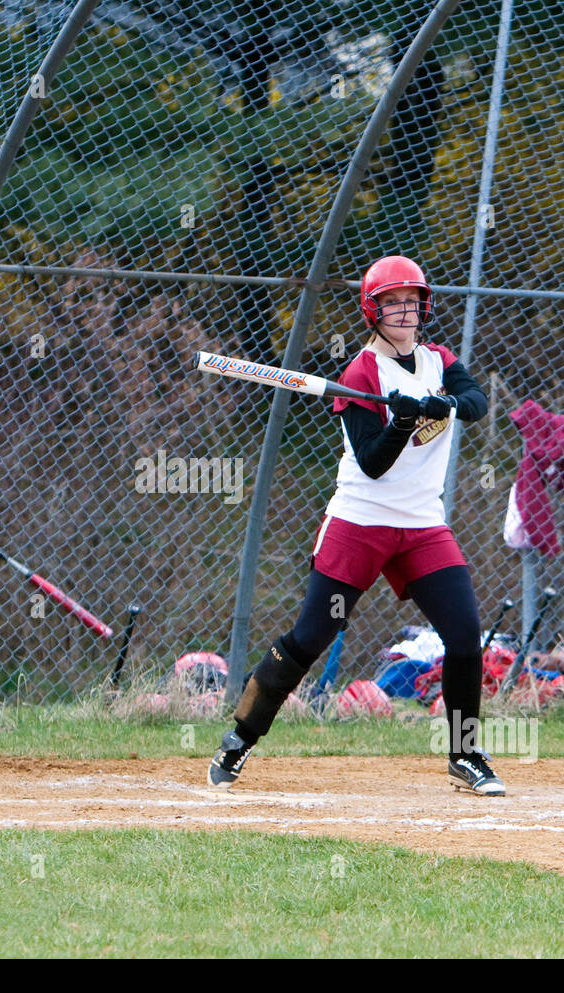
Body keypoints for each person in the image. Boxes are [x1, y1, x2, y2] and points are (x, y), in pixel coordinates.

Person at [208, 255, 505, 796]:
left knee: (464, 640)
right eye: (392, 302)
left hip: (422, 525)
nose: (404, 311)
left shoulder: (439, 359)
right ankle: (240, 736)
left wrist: (442, 403)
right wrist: (403, 423)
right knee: (310, 637)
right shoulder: (360, 374)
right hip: (361, 522)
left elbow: (477, 403)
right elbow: (371, 460)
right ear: (373, 310)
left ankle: (465, 754)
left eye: (411, 300)